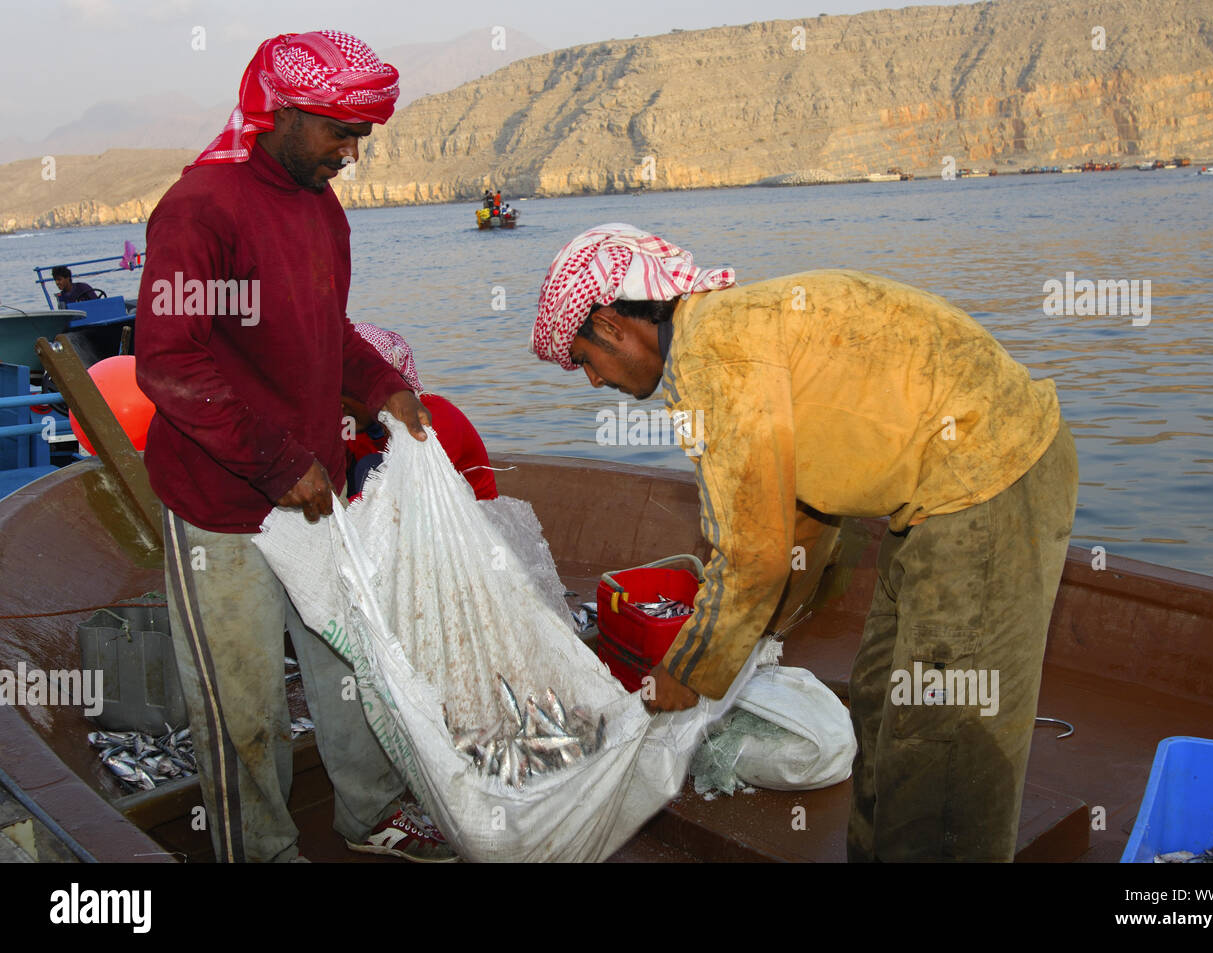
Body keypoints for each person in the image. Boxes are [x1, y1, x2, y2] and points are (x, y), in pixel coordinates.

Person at [530, 223, 1078, 862]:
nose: (593, 382)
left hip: (987, 481)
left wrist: (685, 673)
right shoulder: (722, 334)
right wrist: (764, 627)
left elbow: (754, 554)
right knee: (879, 697)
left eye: (584, 360)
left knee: (938, 738)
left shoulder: (716, 358)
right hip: (938, 492)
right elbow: (799, 518)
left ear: (613, 327)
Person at [135, 31, 452, 863]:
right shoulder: (200, 208)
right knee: (243, 703)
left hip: (318, 493)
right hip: (224, 505)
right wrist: (276, 462)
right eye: (339, 132)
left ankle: (371, 811)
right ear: (278, 112)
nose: (352, 152)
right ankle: (262, 848)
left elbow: (328, 332)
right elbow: (171, 362)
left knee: (351, 670)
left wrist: (384, 387)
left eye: (361, 136)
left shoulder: (321, 209)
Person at [344, 322, 498, 501]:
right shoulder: (353, 425)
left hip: (465, 517)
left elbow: (403, 497)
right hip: (401, 517)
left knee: (370, 466)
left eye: (344, 392)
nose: (338, 403)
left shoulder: (434, 420)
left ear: (377, 388)